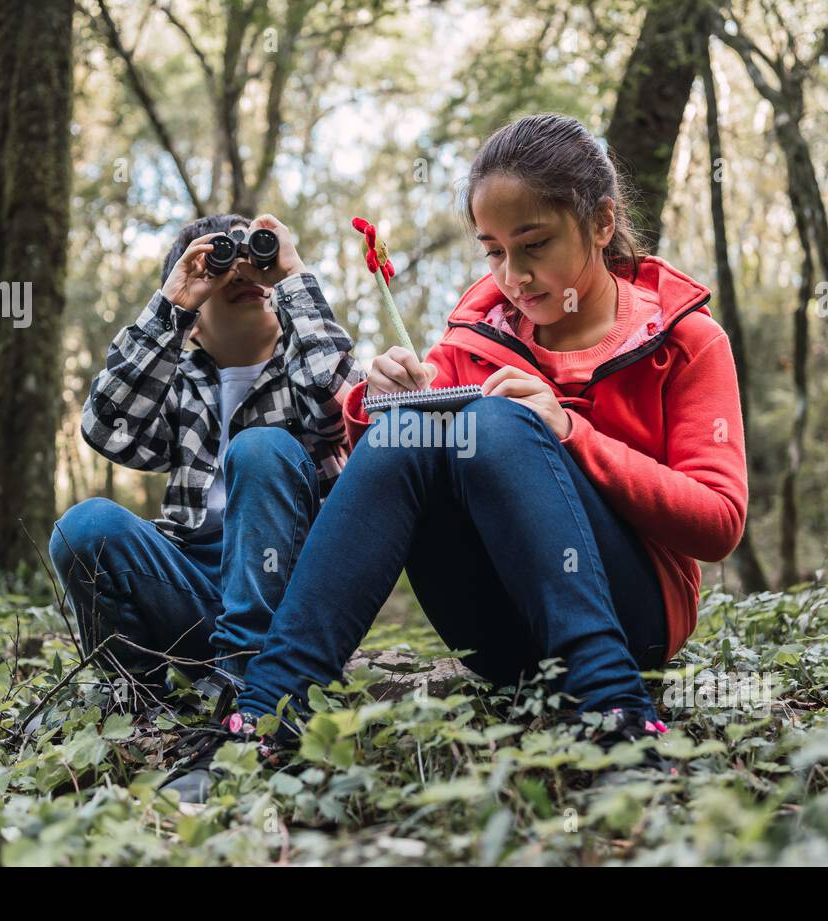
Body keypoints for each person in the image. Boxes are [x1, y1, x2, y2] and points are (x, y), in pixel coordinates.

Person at [169, 113, 749, 796]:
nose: (515, 275)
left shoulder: (685, 340)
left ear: (600, 222)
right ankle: (267, 715)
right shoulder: (476, 337)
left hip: (634, 620)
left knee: (497, 425)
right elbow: (384, 461)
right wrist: (374, 400)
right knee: (409, 431)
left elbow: (718, 522)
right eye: (493, 251)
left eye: (534, 244)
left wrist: (570, 432)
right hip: (498, 633)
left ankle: (616, 716)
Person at [48, 213, 363, 704]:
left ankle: (249, 680)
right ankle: (133, 696)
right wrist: (172, 306)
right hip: (194, 593)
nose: (242, 273)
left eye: (254, 260)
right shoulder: (177, 384)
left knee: (259, 447)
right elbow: (106, 427)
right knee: (84, 526)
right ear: (192, 324)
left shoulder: (303, 368)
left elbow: (339, 404)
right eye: (221, 268)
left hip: (292, 599)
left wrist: (292, 276)